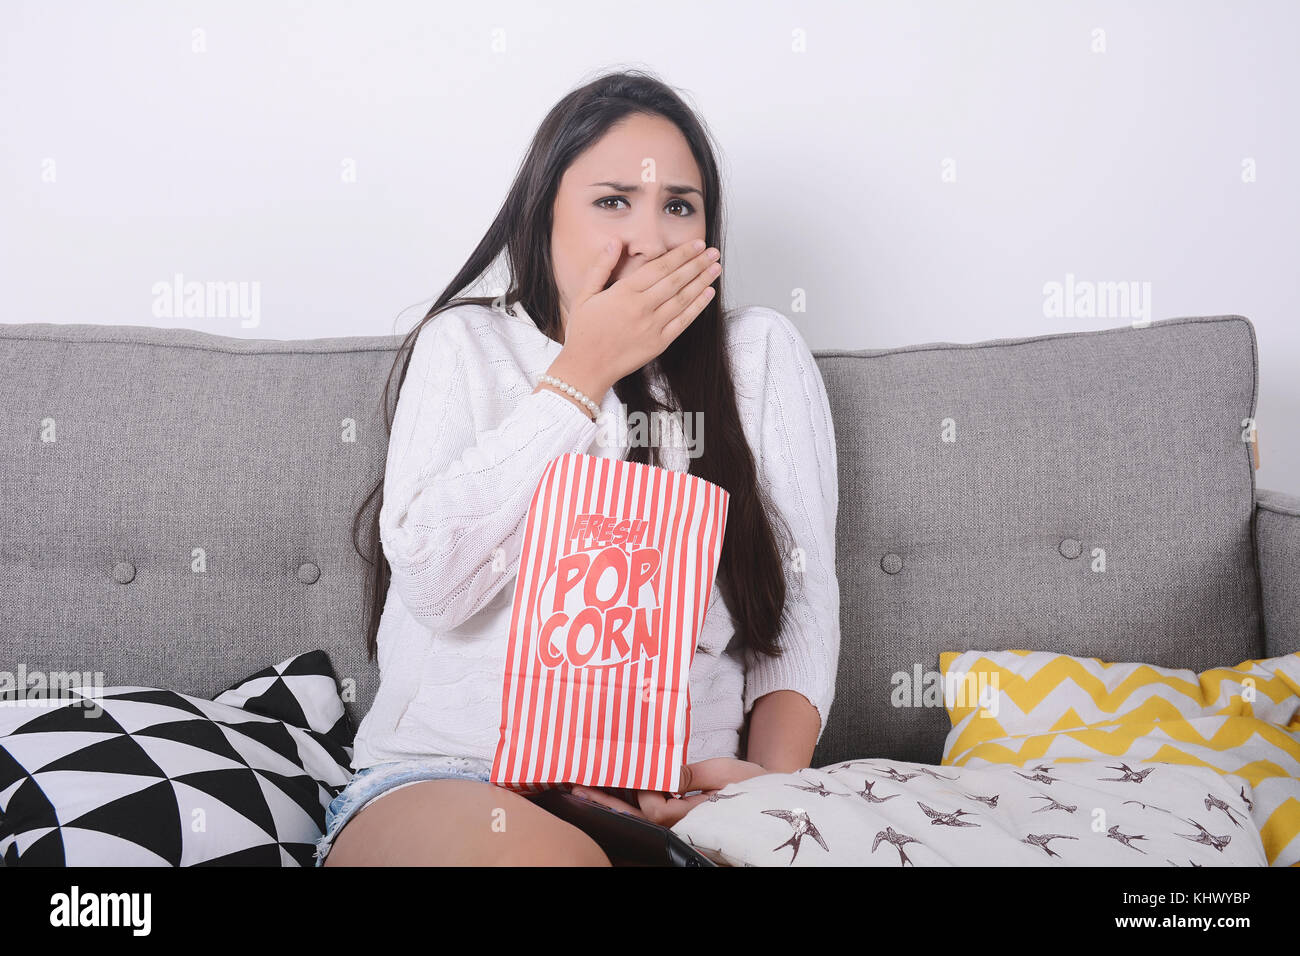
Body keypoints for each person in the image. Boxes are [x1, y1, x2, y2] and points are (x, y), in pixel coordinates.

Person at [319, 68, 840, 866]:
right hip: (458, 781)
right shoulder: (466, 347)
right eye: (612, 202)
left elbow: (797, 618)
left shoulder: (759, 356)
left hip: (676, 795)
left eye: (679, 205)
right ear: (544, 216)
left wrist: (762, 798)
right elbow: (432, 582)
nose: (652, 237)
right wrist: (581, 374)